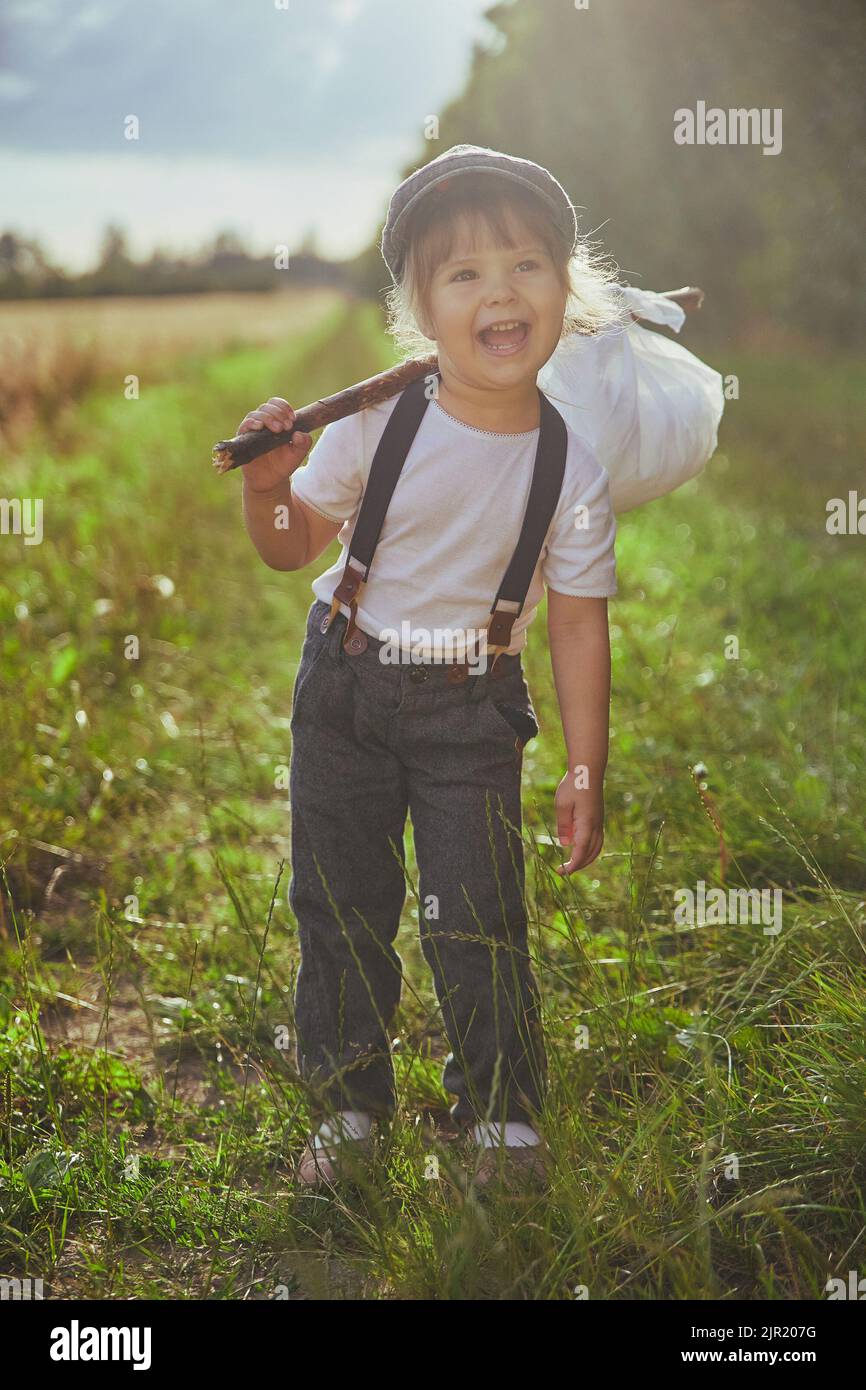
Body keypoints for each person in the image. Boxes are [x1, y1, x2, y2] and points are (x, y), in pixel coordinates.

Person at [239, 145, 620, 1192]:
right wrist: (267, 486)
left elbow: (578, 628)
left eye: (525, 265)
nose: (498, 290)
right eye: (463, 274)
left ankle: (499, 1116)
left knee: (480, 909)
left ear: (564, 288)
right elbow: (288, 546)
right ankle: (351, 1107)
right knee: (341, 899)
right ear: (418, 310)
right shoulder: (381, 420)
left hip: (471, 709)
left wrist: (584, 767)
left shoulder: (569, 465)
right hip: (347, 691)